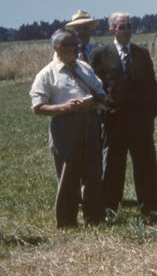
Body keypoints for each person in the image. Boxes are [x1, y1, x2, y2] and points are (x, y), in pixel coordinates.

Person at [30, 29, 105, 227]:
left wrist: (93, 100)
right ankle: (67, 221)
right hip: (65, 126)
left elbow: (100, 90)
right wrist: (62, 108)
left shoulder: (84, 67)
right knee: (67, 173)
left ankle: (94, 217)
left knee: (93, 171)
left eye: (78, 44)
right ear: (59, 48)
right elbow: (38, 107)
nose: (78, 48)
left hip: (90, 122)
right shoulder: (46, 74)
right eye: (73, 45)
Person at [90, 13, 157, 216]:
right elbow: (95, 87)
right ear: (112, 30)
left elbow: (151, 84)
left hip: (141, 119)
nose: (127, 31)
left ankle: (150, 206)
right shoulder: (101, 54)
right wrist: (104, 111)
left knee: (145, 162)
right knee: (113, 164)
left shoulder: (141, 53)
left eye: (129, 27)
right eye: (122, 27)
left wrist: (152, 108)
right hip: (115, 119)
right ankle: (110, 206)